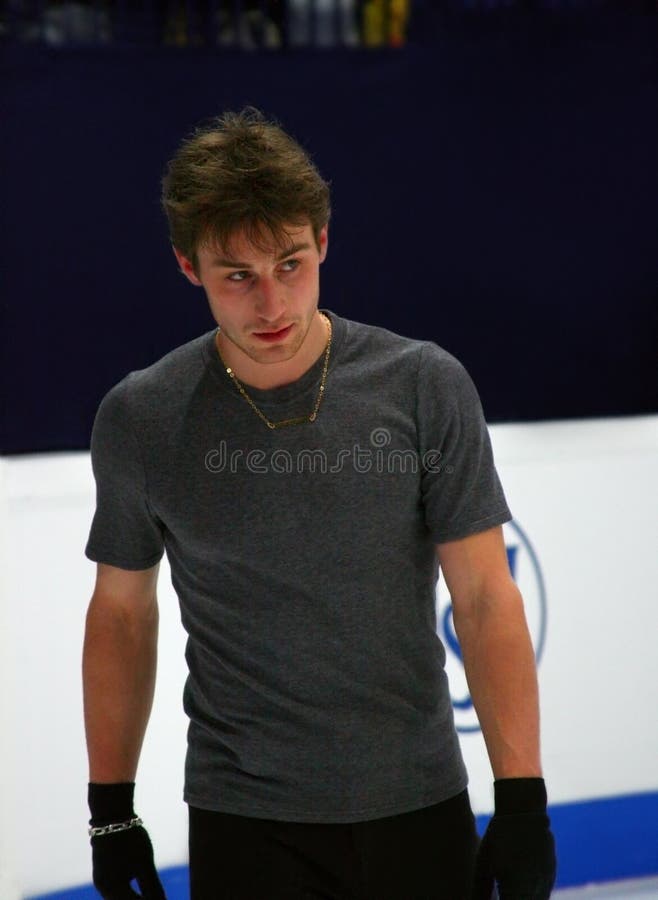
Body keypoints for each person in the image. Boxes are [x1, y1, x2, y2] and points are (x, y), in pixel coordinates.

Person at [82, 107, 556, 900]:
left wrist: (523, 801)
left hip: (419, 806)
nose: (271, 302)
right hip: (245, 826)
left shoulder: (422, 384)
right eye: (238, 274)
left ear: (324, 243)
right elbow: (122, 614)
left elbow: (483, 596)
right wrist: (109, 809)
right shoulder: (141, 418)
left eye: (291, 264)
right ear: (187, 266)